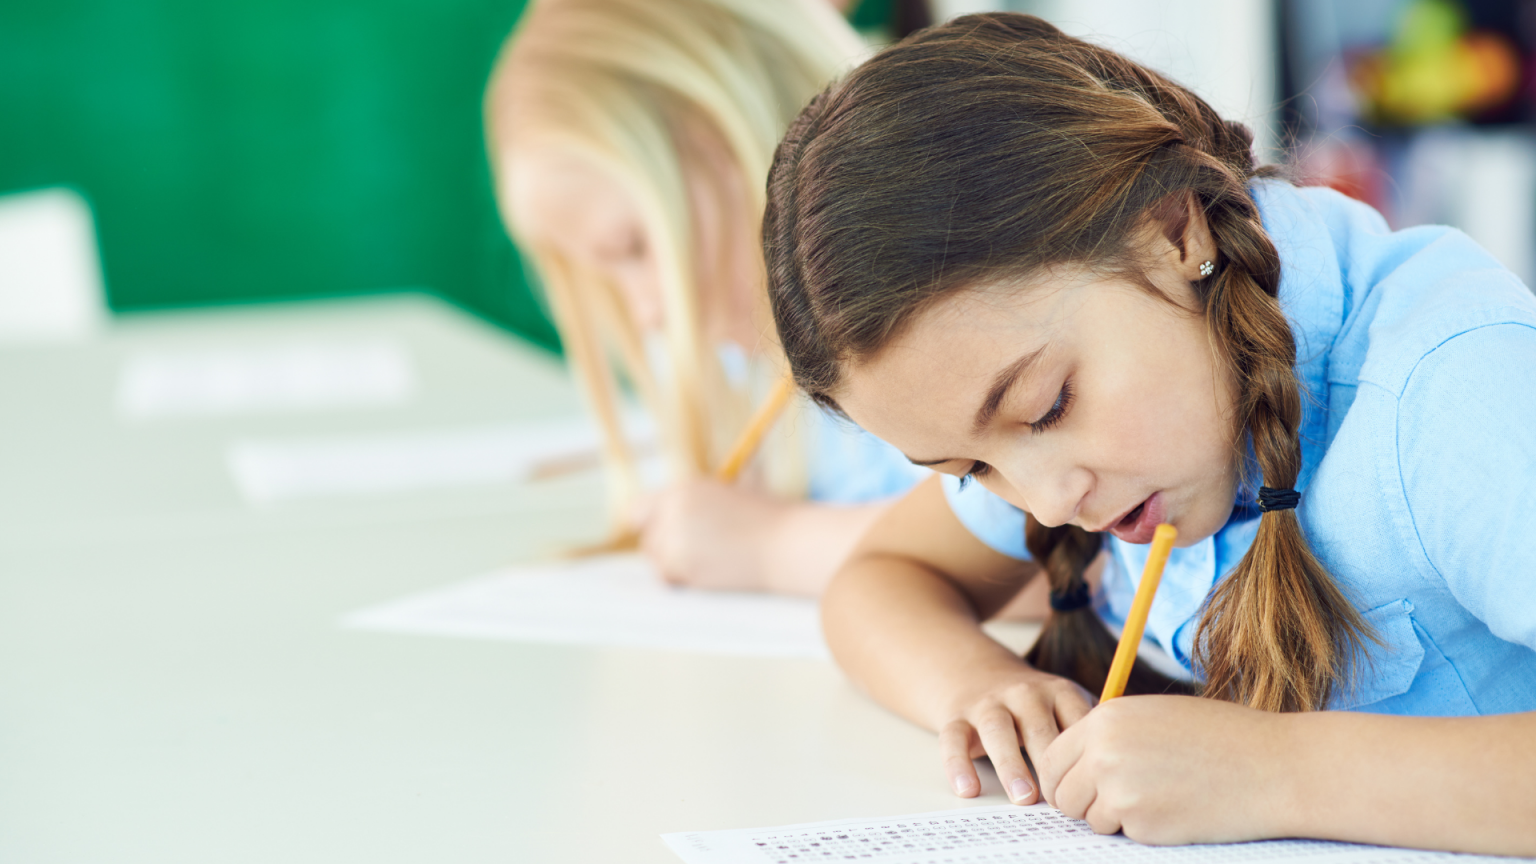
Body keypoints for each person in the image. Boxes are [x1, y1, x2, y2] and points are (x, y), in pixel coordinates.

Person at [762, 13, 1536, 856]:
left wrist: (1277, 772)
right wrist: (980, 683)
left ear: (1176, 234)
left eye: (1048, 407)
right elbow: (881, 579)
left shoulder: (1454, 391)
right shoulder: (1103, 413)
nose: (1051, 503)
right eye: (972, 467)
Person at [485, 0, 982, 600]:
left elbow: (1055, 555)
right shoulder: (737, 360)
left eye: (636, 247)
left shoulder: (940, 294)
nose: (646, 312)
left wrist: (771, 546)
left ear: (727, 140)